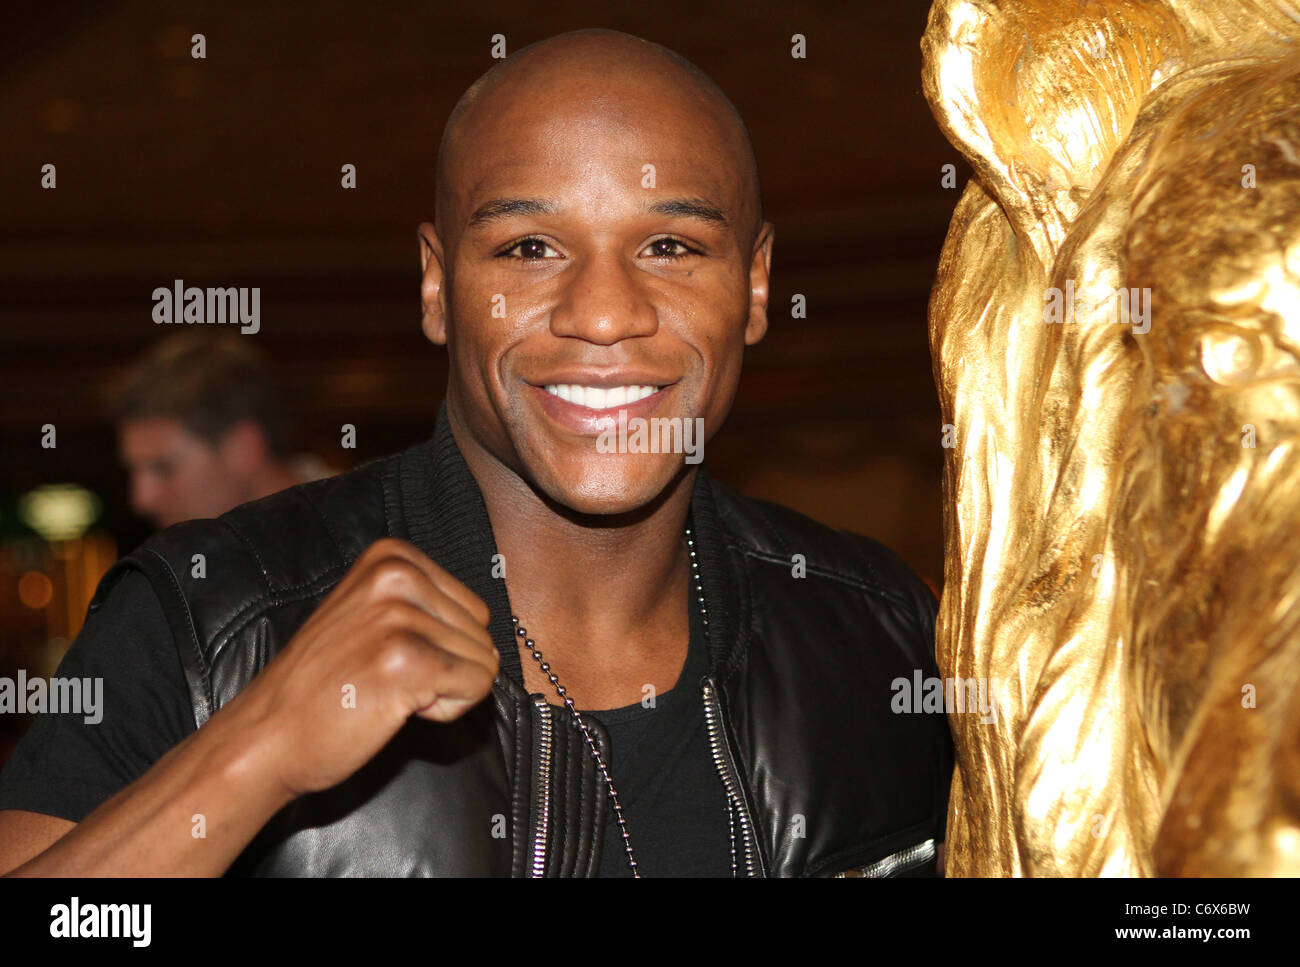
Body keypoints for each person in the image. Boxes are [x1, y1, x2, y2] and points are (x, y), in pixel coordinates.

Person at [0, 28, 953, 877]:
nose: (605, 313)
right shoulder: (211, 618)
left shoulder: (884, 632)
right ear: (435, 284)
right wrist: (257, 754)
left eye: (669, 244)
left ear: (754, 285)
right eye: (530, 248)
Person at [112, 332, 327, 530]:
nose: (141, 500)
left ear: (243, 448)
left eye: (163, 468)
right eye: (134, 472)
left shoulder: (357, 540)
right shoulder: (194, 557)